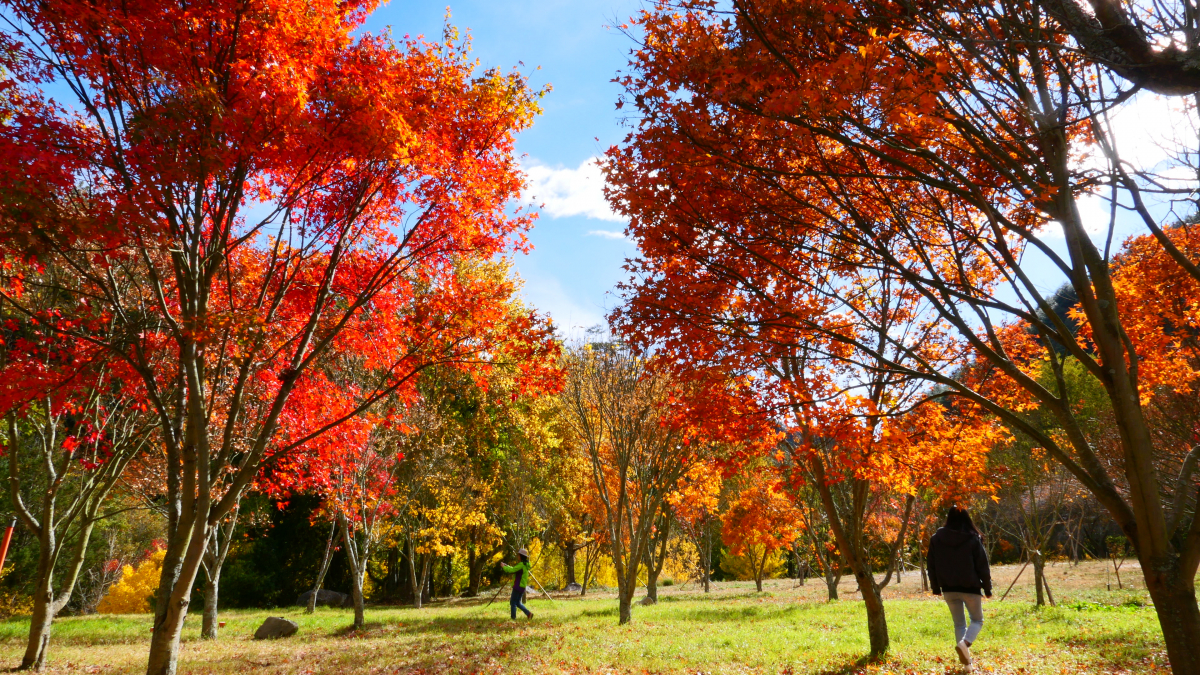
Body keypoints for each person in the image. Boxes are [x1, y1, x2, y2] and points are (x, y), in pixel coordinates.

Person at [928, 506, 992, 666]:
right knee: (977, 621)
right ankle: (965, 643)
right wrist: (987, 588)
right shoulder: (972, 538)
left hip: (948, 589)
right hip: (970, 587)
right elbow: (982, 565)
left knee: (959, 624)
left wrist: (935, 587)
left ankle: (967, 665)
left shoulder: (936, 538)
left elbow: (931, 565)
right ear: (966, 518)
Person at [502, 548, 533, 620]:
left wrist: (504, 567)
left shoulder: (521, 565)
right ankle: (529, 614)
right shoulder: (525, 565)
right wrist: (507, 566)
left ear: (521, 556)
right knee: (518, 603)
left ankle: (513, 618)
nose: (517, 556)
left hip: (517, 586)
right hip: (522, 587)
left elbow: (512, 570)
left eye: (518, 555)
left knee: (513, 603)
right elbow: (514, 569)